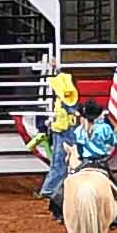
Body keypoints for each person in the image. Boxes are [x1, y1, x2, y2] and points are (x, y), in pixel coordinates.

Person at [37, 64, 84, 211]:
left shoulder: (66, 97)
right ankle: (52, 189)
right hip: (63, 131)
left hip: (65, 132)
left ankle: (50, 189)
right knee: (63, 162)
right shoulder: (67, 96)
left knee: (60, 162)